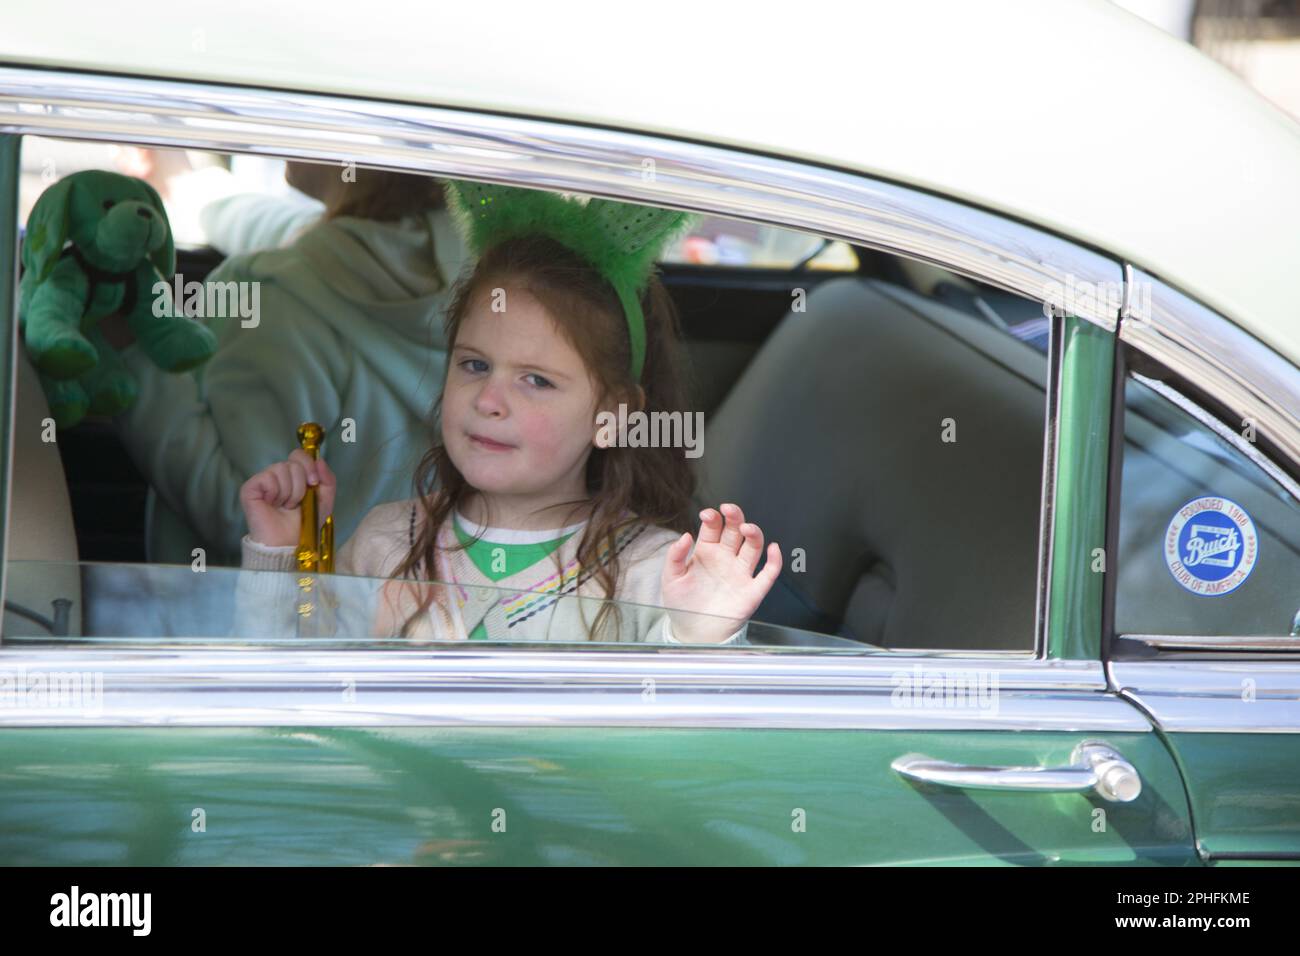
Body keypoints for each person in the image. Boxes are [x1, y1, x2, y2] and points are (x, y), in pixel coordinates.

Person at [234, 182, 781, 643]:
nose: (489, 401)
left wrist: (701, 633)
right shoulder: (385, 543)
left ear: (612, 413)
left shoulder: (653, 571)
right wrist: (283, 555)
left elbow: (680, 737)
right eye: (474, 365)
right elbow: (293, 694)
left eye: (536, 380)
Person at [105, 162, 467, 566]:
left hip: (285, 613)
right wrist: (193, 190)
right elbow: (293, 230)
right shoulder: (481, 274)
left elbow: (241, 518)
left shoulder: (273, 300)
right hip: (412, 611)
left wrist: (132, 352)